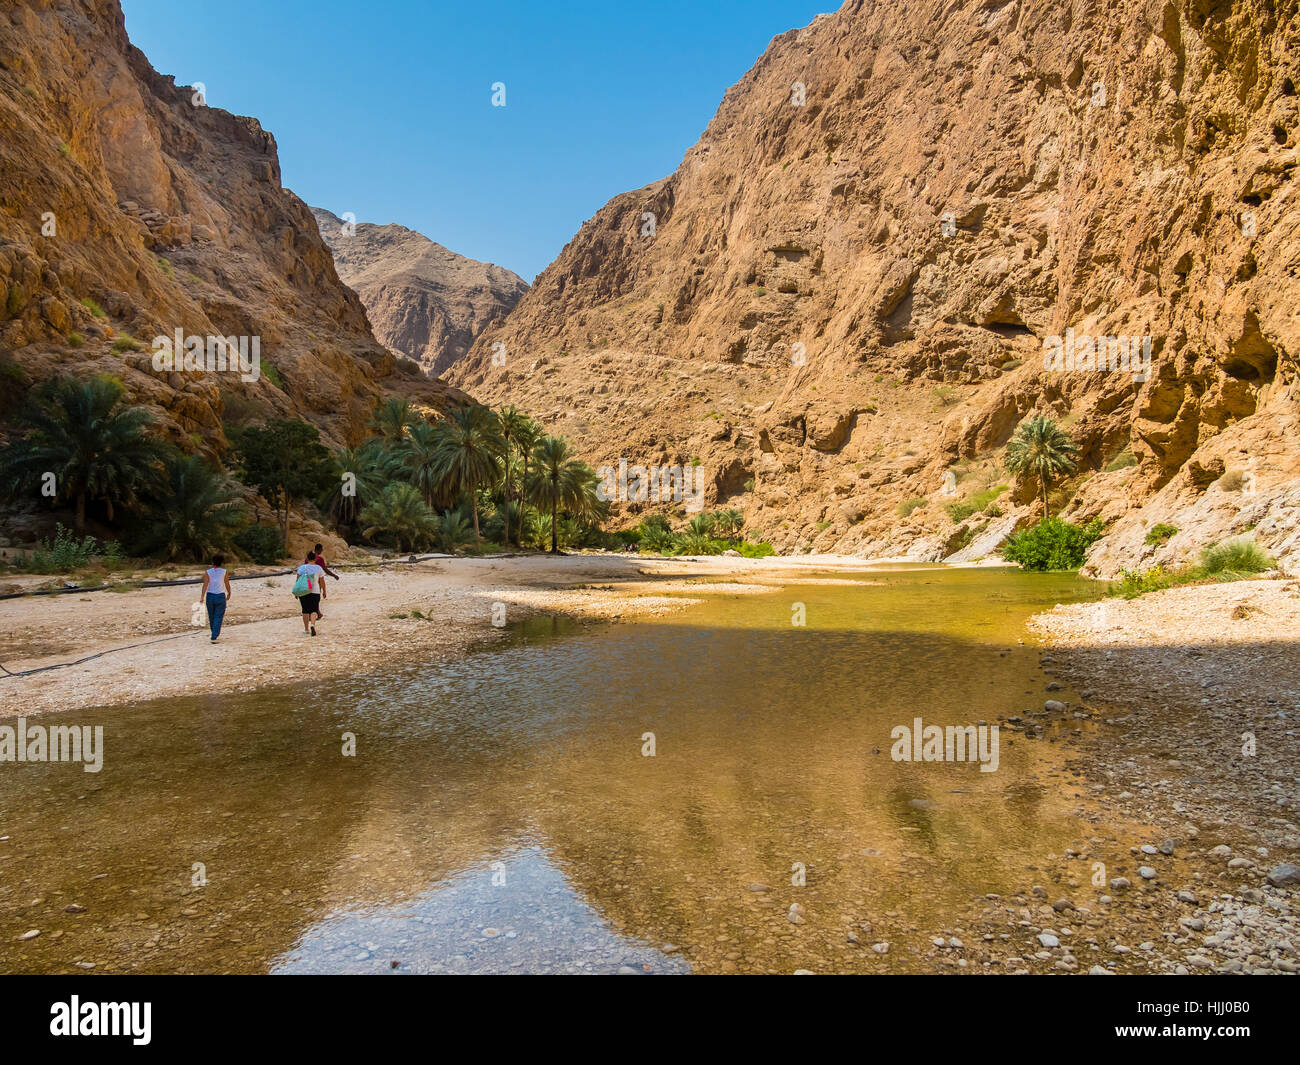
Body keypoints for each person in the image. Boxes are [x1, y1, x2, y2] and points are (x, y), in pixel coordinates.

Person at [201, 554, 231, 642]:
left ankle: (214, 633)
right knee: (218, 616)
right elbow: (227, 583)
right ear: (222, 562)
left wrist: (202, 596)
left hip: (210, 596)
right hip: (220, 596)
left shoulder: (208, 572)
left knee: (212, 616)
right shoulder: (224, 572)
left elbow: (205, 585)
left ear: (212, 561)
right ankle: (214, 635)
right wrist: (229, 592)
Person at [296, 550, 326, 636]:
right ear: (315, 558)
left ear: (307, 558)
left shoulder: (302, 568)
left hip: (304, 591)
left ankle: (306, 629)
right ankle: (312, 625)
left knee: (305, 610)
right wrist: (324, 591)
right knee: (314, 610)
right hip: (315, 592)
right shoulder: (318, 568)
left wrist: (296, 592)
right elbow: (322, 581)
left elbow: (298, 581)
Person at [312, 542, 340, 618]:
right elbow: (325, 569)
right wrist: (334, 575)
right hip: (317, 579)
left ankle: (315, 612)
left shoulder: (308, 558)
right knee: (316, 596)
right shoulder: (319, 559)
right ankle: (317, 612)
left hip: (308, 579)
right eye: (321, 549)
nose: (322, 551)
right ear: (319, 549)